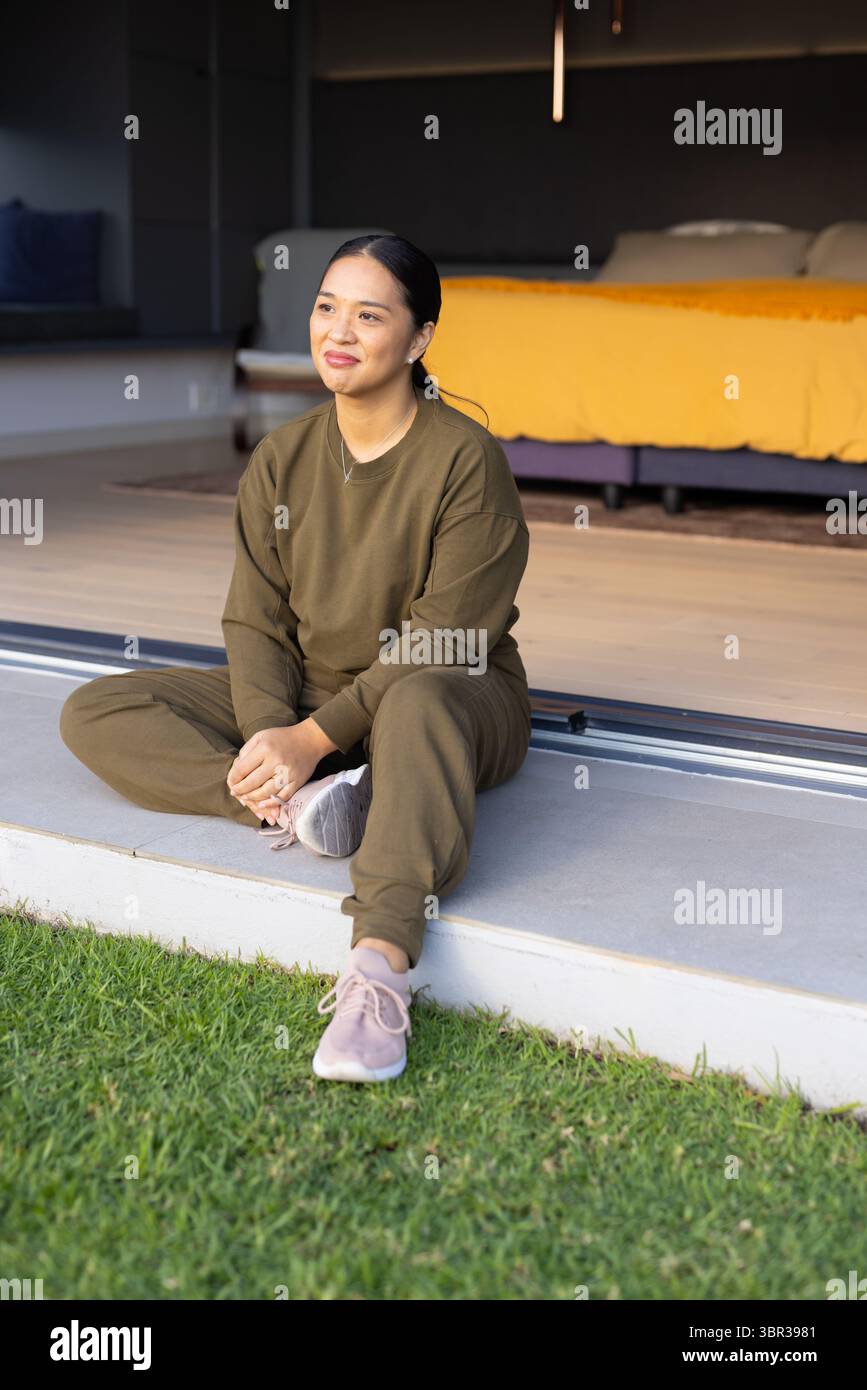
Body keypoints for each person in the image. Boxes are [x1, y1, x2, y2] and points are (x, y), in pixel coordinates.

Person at [59, 233, 533, 1084]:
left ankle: (377, 970)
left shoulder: (466, 460)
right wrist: (273, 736)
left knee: (417, 704)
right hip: (316, 699)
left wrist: (316, 734)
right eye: (324, 308)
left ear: (419, 338)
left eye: (368, 314)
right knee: (95, 709)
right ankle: (308, 805)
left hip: (452, 691)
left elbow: (445, 634)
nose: (337, 332)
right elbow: (254, 623)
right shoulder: (280, 458)